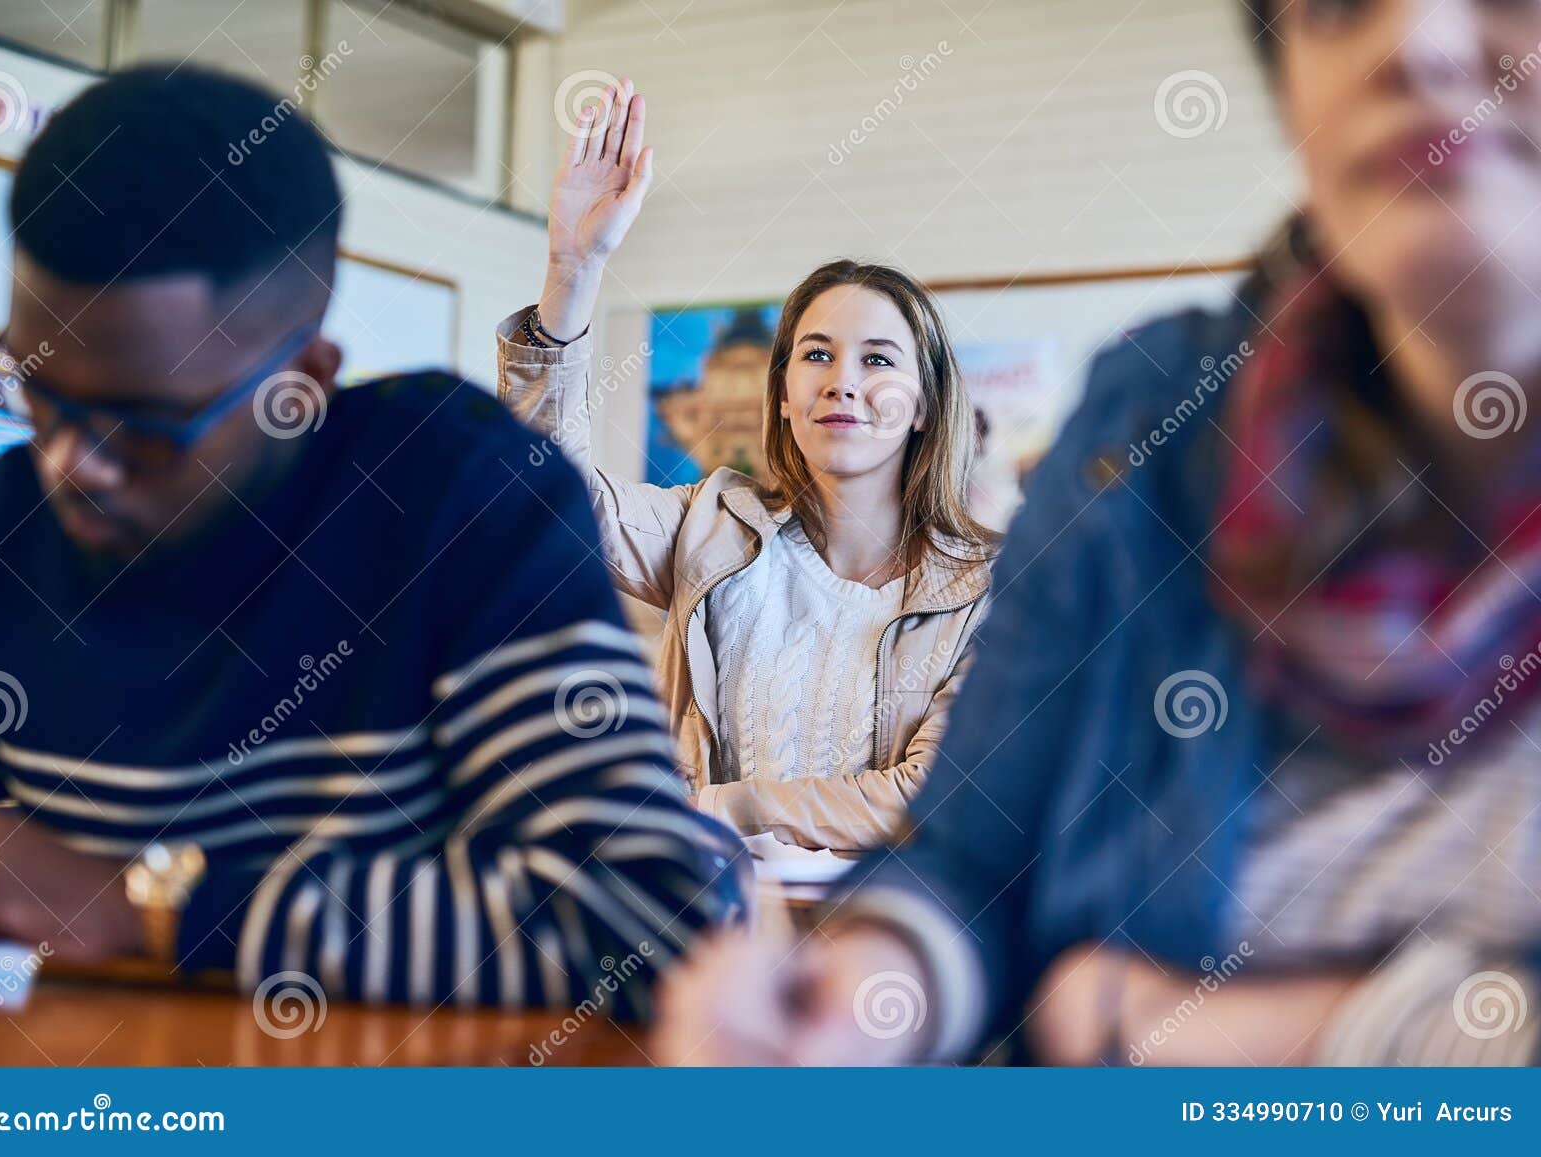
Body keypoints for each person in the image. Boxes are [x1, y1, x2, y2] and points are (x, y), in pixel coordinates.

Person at [653, 0, 1541, 1065]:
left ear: (930, 400)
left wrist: (1180, 1026)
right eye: (1337, 4)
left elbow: (931, 825)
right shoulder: (1157, 413)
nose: (1414, 44)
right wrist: (864, 991)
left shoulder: (967, 567)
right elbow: (975, 859)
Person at [0, 64, 746, 1014]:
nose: (76, 465)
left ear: (306, 380)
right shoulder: (0, 526)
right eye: (38, 394)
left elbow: (651, 923)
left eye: (147, 425)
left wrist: (151, 906)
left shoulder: (457, 501)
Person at [497, 81, 999, 852]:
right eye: (817, 354)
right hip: (706, 936)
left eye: (879, 359)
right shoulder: (710, 529)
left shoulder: (985, 587)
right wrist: (575, 265)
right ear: (787, 395)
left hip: (888, 949)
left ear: (926, 404)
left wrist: (729, 808)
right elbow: (541, 497)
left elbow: (934, 794)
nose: (843, 381)